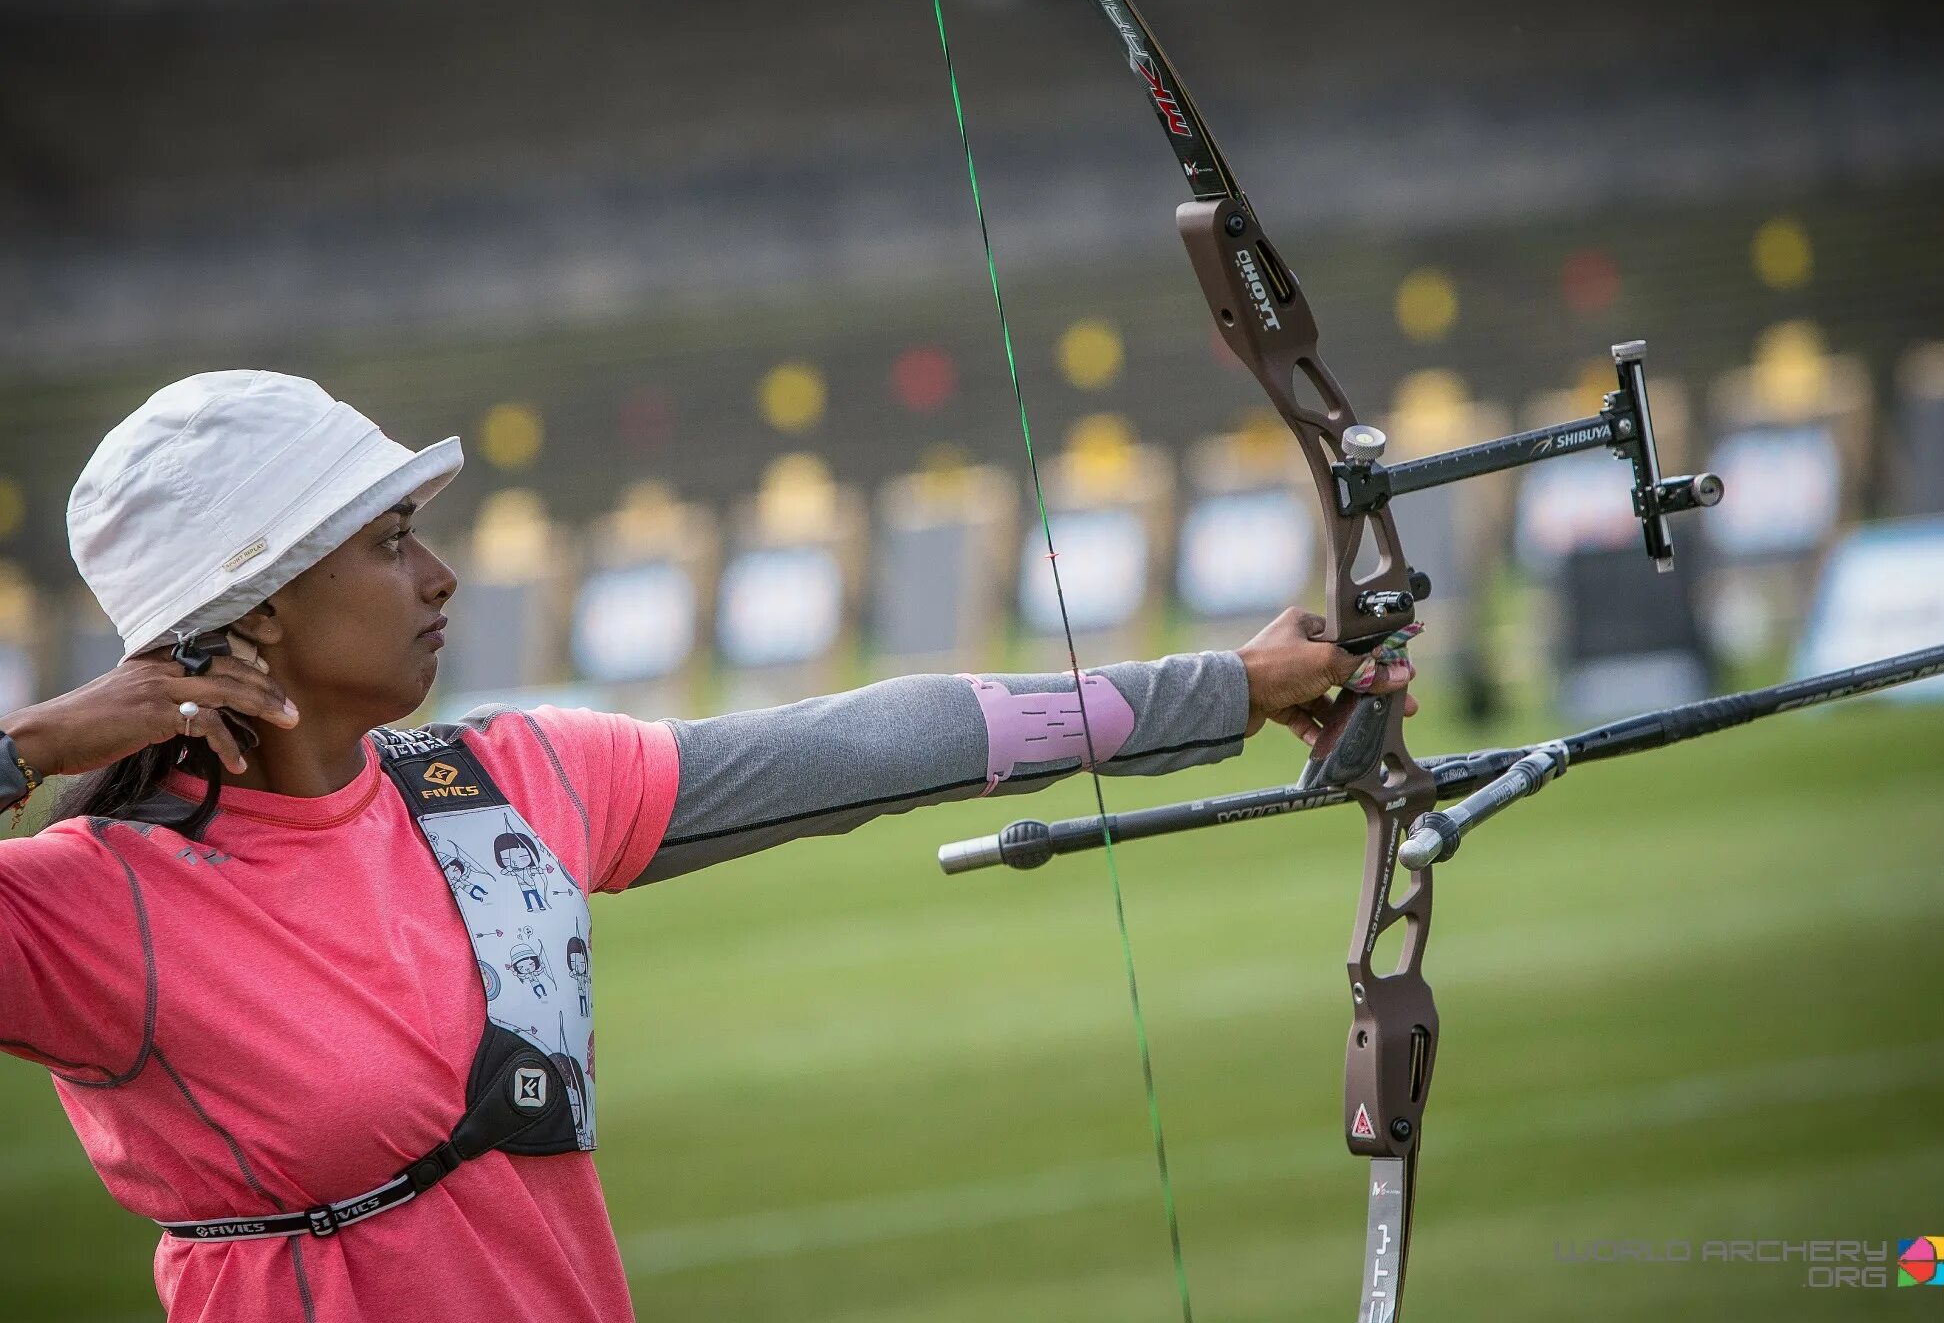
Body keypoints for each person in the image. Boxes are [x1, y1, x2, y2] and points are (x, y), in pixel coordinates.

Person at [0, 371, 1415, 1322]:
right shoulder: (88, 907)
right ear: (246, 619)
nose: (436, 576)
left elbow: (877, 742)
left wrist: (1229, 688)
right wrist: (32, 746)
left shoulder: (502, 783)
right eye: (383, 548)